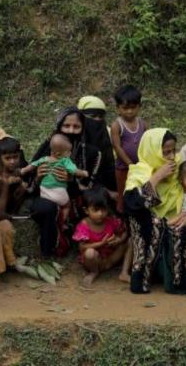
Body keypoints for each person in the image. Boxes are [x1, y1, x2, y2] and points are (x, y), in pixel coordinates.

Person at [124, 128, 186, 297]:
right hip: (151, 225)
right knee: (157, 225)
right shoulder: (139, 171)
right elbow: (132, 205)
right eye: (165, 152)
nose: (172, 157)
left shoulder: (180, 168)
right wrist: (156, 177)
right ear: (153, 151)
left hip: (178, 220)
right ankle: (149, 277)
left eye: (173, 150)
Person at [29, 107, 106, 257]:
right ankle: (49, 250)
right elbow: (31, 180)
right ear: (59, 127)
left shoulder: (93, 153)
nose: (70, 131)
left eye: (76, 126)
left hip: (75, 198)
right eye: (66, 126)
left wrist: (71, 180)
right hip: (46, 195)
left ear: (83, 128)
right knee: (46, 208)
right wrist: (38, 177)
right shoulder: (49, 147)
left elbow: (91, 186)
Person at [21, 134, 89, 223]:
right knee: (67, 206)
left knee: (50, 206)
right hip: (59, 192)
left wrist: (23, 170)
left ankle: (53, 215)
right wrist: (84, 173)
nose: (70, 153)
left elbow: (32, 165)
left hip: (44, 192)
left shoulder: (44, 159)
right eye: (68, 152)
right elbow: (74, 171)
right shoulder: (65, 161)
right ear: (58, 153)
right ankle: (62, 222)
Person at [73, 187, 129, 286]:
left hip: (111, 259)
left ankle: (124, 272)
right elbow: (82, 247)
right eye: (96, 210)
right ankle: (94, 272)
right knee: (89, 253)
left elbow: (124, 233)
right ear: (86, 211)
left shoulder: (111, 221)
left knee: (130, 241)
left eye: (104, 210)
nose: (101, 214)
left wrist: (119, 240)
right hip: (95, 261)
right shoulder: (84, 225)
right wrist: (101, 243)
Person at [110, 85, 148, 212]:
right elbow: (117, 147)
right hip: (123, 168)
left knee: (139, 191)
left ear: (139, 106)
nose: (129, 111)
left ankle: (138, 214)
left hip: (141, 167)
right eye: (125, 108)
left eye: (133, 108)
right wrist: (130, 164)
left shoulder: (142, 123)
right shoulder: (117, 125)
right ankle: (122, 218)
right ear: (118, 108)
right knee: (123, 193)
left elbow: (150, 141)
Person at [77, 96, 117, 192]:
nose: (97, 120)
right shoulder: (73, 133)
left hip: (105, 181)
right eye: (93, 116)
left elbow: (112, 162)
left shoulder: (108, 132)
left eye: (101, 117)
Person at [0, 137, 29, 214]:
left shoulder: (16, 170)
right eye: (7, 158)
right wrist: (6, 183)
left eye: (15, 157)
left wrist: (21, 185)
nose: (12, 161)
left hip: (13, 203)